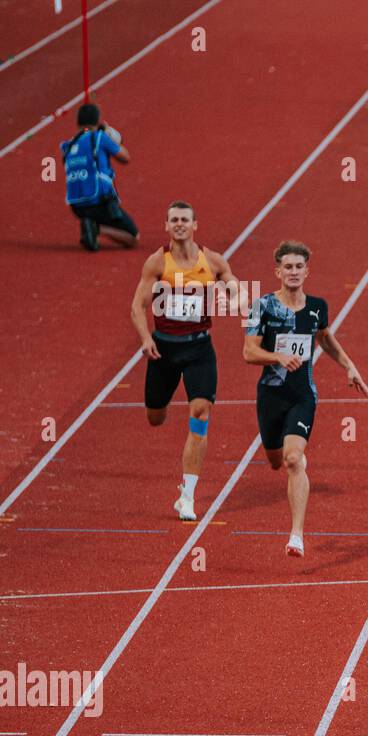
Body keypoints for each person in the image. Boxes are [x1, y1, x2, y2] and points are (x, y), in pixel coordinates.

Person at [243, 241, 368, 557]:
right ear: (278, 271)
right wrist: (278, 357)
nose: (294, 272)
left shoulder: (317, 307)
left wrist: (349, 366)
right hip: (271, 396)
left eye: (299, 267)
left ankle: (296, 535)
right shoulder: (264, 307)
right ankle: (290, 455)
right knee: (275, 460)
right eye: (288, 267)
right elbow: (248, 352)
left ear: (307, 271)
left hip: (303, 396)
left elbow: (325, 338)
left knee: (293, 460)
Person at [129, 201, 238, 521]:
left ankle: (187, 495)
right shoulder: (156, 263)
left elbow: (233, 286)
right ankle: (161, 405)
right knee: (155, 417)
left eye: (185, 220)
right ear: (166, 226)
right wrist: (146, 338)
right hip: (164, 350)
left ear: (195, 225)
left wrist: (237, 295)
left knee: (200, 413)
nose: (179, 224)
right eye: (174, 220)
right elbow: (137, 306)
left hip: (199, 350)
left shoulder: (213, 261)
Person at [60, 103, 138, 252]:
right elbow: (126, 157)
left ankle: (90, 225)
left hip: (76, 207)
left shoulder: (68, 146)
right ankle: (97, 228)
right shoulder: (100, 137)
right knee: (133, 237)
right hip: (99, 202)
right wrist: (110, 134)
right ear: (98, 121)